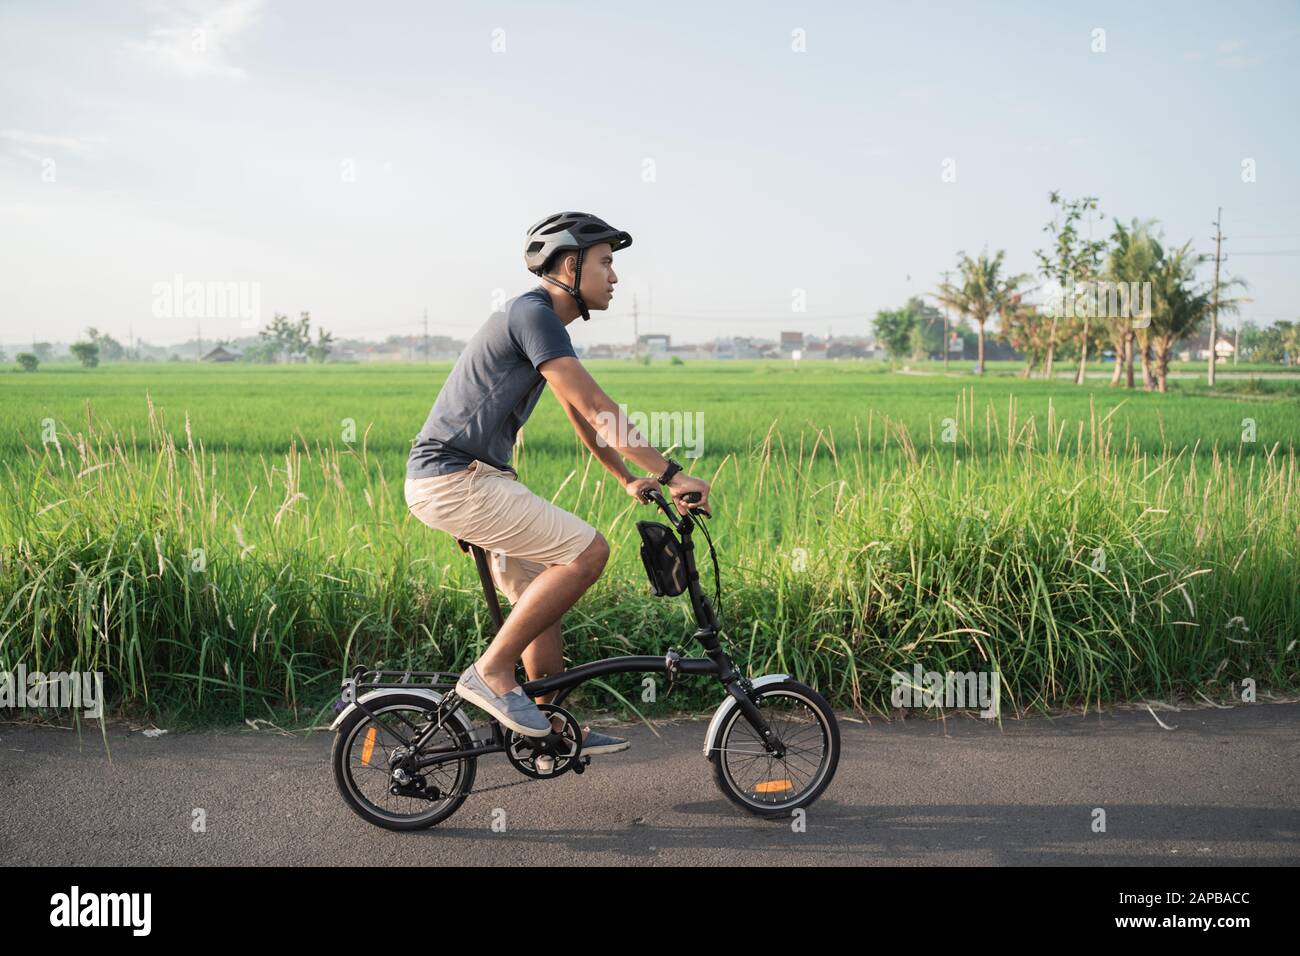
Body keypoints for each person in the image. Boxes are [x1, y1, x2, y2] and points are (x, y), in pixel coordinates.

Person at [404, 211, 711, 755]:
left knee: (539, 596)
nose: (614, 277)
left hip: (469, 480)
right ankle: (492, 671)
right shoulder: (533, 313)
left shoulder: (540, 321)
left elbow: (577, 412)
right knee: (588, 552)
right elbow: (596, 407)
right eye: (606, 263)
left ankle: (545, 730)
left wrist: (624, 476)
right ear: (570, 265)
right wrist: (671, 472)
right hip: (457, 478)